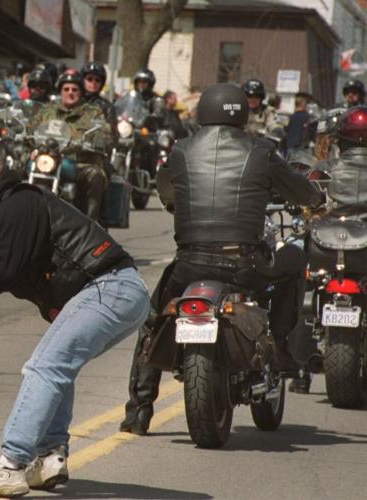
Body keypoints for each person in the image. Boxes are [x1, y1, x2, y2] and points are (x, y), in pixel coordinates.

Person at [0, 152, 149, 497]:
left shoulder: (19, 203)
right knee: (59, 365)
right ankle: (49, 458)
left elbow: (2, 270)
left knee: (43, 366)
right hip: (114, 291)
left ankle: (10, 464)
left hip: (109, 286)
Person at [118, 83, 324, 435]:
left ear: (203, 113)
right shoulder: (261, 150)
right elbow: (300, 190)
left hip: (190, 265)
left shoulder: (182, 150)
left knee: (151, 320)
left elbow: (166, 191)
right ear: (243, 114)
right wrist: (315, 198)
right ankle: (280, 341)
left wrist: (177, 200)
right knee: (293, 257)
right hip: (243, 265)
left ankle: (139, 411)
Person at [29, 73, 113, 222]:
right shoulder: (47, 111)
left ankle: (91, 224)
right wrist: (25, 140)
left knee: (96, 175)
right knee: (15, 168)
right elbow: (30, 130)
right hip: (49, 160)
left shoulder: (93, 112)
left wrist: (96, 140)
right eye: (66, 89)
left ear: (81, 92)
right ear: (60, 91)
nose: (70, 92)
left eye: (74, 89)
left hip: (78, 164)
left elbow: (105, 134)